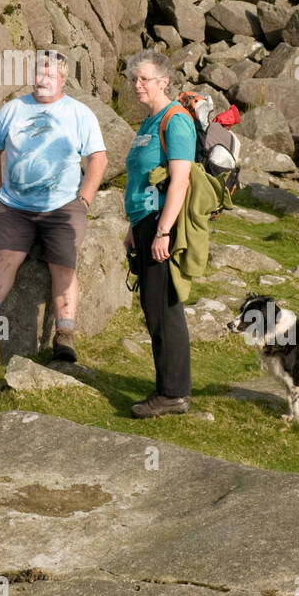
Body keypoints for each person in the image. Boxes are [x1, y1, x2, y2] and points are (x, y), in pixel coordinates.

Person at [0, 51, 107, 363]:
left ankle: (64, 334)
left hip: (63, 207)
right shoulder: (13, 109)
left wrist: (85, 198)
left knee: (63, 265)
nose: (42, 81)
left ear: (63, 80)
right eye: (39, 74)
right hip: (15, 207)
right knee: (7, 257)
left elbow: (98, 158)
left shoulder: (80, 114)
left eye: (50, 76)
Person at [123, 49, 196, 417]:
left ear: (164, 81)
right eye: (133, 79)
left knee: (164, 307)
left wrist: (162, 232)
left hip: (160, 223)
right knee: (154, 306)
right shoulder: (149, 122)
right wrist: (133, 229)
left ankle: (173, 393)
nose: (137, 85)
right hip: (144, 223)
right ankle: (168, 387)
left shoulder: (175, 120)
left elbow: (180, 180)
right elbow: (140, 178)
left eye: (144, 79)